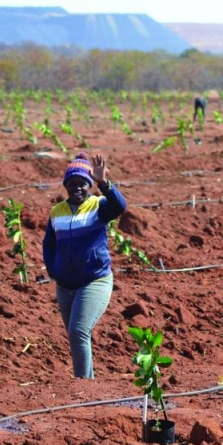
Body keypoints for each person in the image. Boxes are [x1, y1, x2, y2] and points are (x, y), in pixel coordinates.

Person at [43, 151, 127, 378]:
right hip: (65, 285)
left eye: (82, 184)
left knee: (79, 331)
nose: (77, 188)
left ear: (89, 185)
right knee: (77, 335)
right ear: (66, 186)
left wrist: (104, 183)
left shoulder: (98, 206)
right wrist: (54, 269)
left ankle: (82, 385)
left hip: (94, 280)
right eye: (72, 184)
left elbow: (120, 206)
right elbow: (48, 244)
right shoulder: (56, 212)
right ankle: (88, 386)